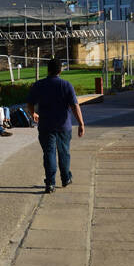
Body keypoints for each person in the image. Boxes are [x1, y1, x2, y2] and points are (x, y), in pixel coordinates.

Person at [27, 58, 85, 193]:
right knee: (64, 153)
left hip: (46, 126)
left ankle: (50, 183)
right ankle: (65, 178)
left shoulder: (39, 85)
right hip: (64, 126)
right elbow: (75, 106)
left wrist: (33, 113)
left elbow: (30, 102)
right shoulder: (66, 85)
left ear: (48, 69)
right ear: (60, 70)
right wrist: (81, 123)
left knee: (49, 154)